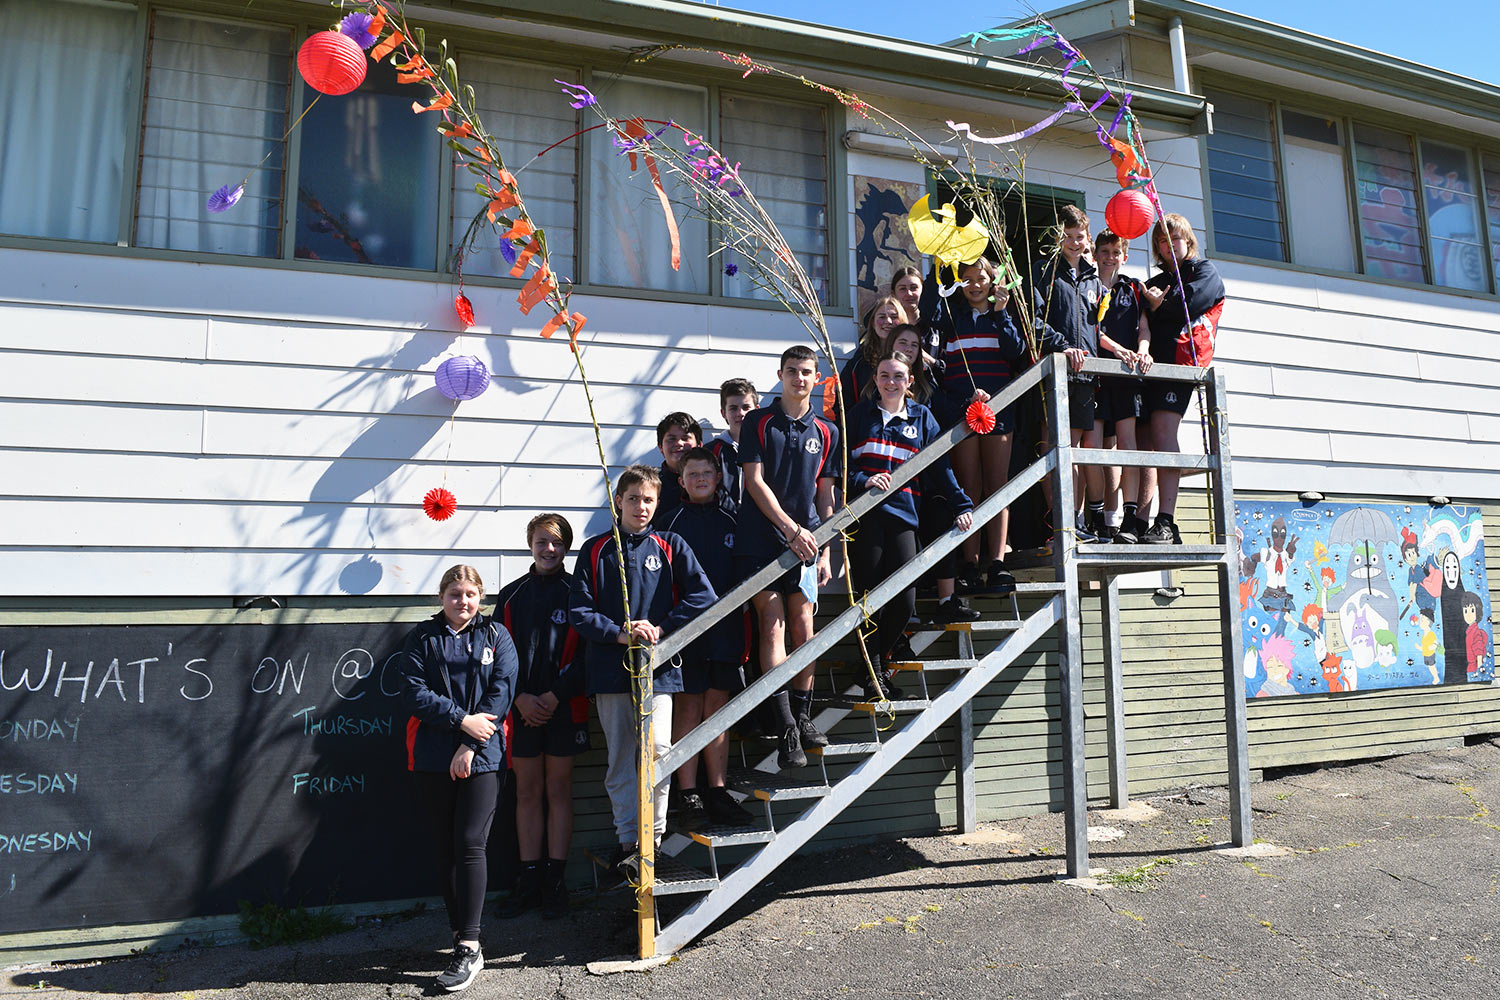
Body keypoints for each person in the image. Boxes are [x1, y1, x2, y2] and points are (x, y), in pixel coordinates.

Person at [569, 465, 716, 881]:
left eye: (648, 499)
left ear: (657, 503)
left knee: (657, 752)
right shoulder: (597, 550)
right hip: (611, 672)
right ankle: (628, 841)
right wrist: (618, 633)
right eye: (632, 498)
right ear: (619, 501)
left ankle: (653, 840)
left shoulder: (670, 545)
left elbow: (703, 595)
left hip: (658, 670)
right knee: (620, 759)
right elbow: (578, 611)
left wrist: (661, 628)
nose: (641, 506)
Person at [397, 565, 518, 992]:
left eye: (470, 593)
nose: (462, 601)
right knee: (445, 847)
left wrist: (470, 743)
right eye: (454, 593)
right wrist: (460, 721)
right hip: (431, 757)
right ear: (440, 597)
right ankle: (457, 935)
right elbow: (413, 691)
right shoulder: (422, 638)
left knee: (470, 843)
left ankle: (470, 945)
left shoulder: (497, 636)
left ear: (481, 597)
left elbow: (501, 692)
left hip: (483, 757)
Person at [847, 351, 974, 699]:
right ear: (875, 380)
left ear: (910, 381)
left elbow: (940, 468)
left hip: (904, 517)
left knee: (904, 599)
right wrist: (863, 480)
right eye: (884, 375)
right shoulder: (859, 416)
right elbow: (842, 468)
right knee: (869, 597)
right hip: (866, 519)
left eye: (898, 376)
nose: (891, 382)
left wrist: (961, 504)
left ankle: (873, 664)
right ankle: (876, 671)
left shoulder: (923, 418)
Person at [738, 345, 842, 769]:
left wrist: (827, 547)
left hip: (806, 544)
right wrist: (790, 529)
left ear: (816, 379)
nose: (799, 378)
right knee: (772, 624)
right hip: (763, 541)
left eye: (807, 373)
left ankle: (803, 714)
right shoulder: (758, 422)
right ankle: (785, 727)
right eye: (792, 371)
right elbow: (754, 482)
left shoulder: (828, 431)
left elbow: (826, 494)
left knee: (805, 627)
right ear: (779, 374)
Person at [492, 514, 585, 921]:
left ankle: (555, 882)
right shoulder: (511, 596)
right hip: (522, 711)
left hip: (565, 709)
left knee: (558, 790)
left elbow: (588, 655)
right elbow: (493, 661)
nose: (549, 549)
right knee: (527, 793)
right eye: (542, 542)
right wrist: (520, 700)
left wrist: (553, 696)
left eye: (557, 543)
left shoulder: (578, 594)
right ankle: (528, 879)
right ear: (529, 544)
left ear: (566, 547)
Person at [658, 448, 756, 829]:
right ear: (680, 481)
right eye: (692, 473)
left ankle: (716, 790)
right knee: (688, 707)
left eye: (706, 472)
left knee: (717, 708)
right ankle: (688, 793)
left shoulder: (735, 519)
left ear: (718, 477)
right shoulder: (669, 524)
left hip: (728, 629)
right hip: (685, 632)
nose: (700, 478)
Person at [933, 256, 1028, 594]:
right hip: (963, 412)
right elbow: (943, 373)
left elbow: (1016, 350)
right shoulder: (951, 318)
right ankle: (970, 563)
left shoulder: (1002, 315)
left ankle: (997, 562)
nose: (975, 285)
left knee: (997, 487)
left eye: (981, 278)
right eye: (968, 278)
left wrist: (1002, 313)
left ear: (993, 280)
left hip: (999, 411)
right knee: (968, 488)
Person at [1137, 213, 1226, 544]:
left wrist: (1161, 304)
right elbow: (1145, 311)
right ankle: (1139, 518)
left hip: (1179, 365)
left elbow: (1190, 303)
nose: (1168, 245)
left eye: (1174, 238)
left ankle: (1167, 521)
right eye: (1161, 240)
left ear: (1187, 240)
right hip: (1149, 368)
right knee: (1144, 440)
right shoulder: (1158, 278)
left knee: (1163, 435)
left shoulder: (1205, 271)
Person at [882, 323, 978, 625]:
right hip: (895, 480)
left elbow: (948, 415)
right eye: (903, 342)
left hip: (928, 477)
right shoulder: (880, 384)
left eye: (914, 344)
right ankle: (903, 610)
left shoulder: (931, 385)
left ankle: (946, 600)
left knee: (942, 517)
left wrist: (973, 404)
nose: (909, 349)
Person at [1030, 205, 1104, 540]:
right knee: (1054, 448)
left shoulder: (1094, 278)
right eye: (1068, 237)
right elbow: (1033, 321)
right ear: (1058, 238)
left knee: (1074, 450)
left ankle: (1076, 521)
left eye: (1080, 237)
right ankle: (1059, 523)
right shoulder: (1045, 273)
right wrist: (1062, 345)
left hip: (1085, 376)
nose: (1074, 243)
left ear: (1088, 238)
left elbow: (1097, 327)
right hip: (1055, 373)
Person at [1090, 229, 1153, 543]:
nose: (1110, 257)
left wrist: (1143, 350)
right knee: (1099, 448)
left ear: (1124, 256)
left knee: (1128, 445)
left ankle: (1128, 516)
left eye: (1116, 252)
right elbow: (1093, 329)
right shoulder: (1088, 285)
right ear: (1095, 253)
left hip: (1127, 376)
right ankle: (1100, 516)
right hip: (1098, 375)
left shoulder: (1133, 288)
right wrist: (1117, 349)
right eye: (1105, 252)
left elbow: (1143, 327)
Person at [839, 295, 907, 412]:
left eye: (894, 317)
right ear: (873, 323)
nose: (888, 321)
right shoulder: (859, 361)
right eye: (882, 317)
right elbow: (843, 402)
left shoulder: (912, 357)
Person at [708, 377, 758, 510]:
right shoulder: (711, 451)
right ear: (723, 413)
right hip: (723, 522)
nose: (740, 413)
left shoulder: (768, 448)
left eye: (746, 407)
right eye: (733, 408)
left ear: (757, 409)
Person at [652, 411, 702, 525]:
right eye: (671, 439)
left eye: (685, 438)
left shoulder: (711, 484)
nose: (679, 443)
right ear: (660, 447)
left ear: (699, 445)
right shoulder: (650, 487)